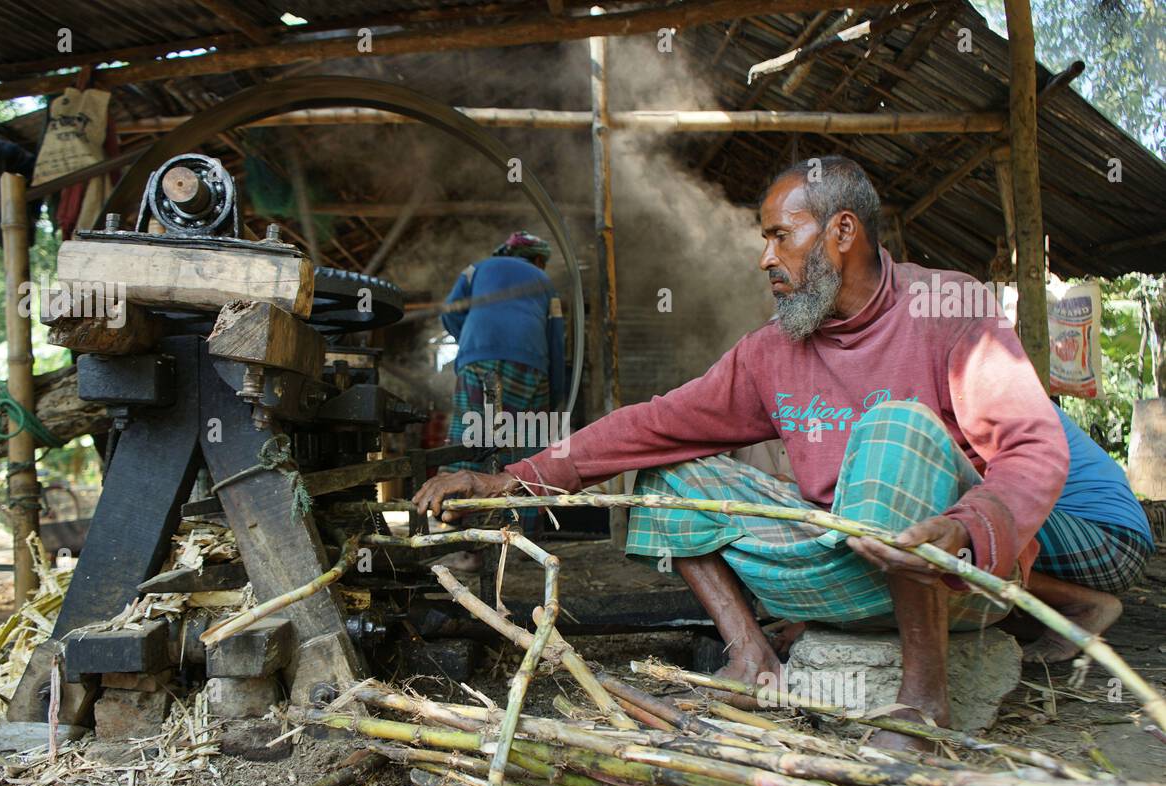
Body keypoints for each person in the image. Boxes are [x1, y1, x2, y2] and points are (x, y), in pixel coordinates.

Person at [415, 156, 1069, 752]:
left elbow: (1034, 447)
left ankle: (924, 704)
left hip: (952, 577)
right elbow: (654, 424)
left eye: (780, 235)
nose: (764, 258)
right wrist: (514, 478)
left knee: (894, 427)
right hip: (840, 570)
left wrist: (966, 528)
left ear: (843, 232)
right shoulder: (773, 351)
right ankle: (750, 656)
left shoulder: (948, 307)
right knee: (671, 468)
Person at [434, 231, 564, 568]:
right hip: (531, 366)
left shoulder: (477, 269)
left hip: (479, 360)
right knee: (526, 448)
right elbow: (556, 341)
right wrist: (557, 399)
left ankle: (464, 545)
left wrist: (474, 342)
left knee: (469, 441)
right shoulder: (545, 283)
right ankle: (522, 543)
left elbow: (450, 310)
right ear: (538, 259)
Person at [1017, 405, 1155, 662]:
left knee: (978, 519)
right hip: (1106, 541)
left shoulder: (1004, 400)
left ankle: (1085, 606)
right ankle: (1047, 614)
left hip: (1113, 543)